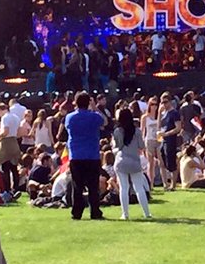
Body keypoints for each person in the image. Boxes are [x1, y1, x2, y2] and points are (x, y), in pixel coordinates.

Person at [64, 92, 106, 220]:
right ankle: (95, 211)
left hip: (76, 155)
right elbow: (104, 121)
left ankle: (77, 212)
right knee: (93, 186)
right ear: (89, 102)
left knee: (77, 185)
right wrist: (94, 107)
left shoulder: (70, 117)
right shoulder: (94, 116)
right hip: (92, 155)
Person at [111, 107, 151, 219]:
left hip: (121, 161)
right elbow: (142, 146)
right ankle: (147, 213)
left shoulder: (117, 131)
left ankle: (125, 214)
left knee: (124, 188)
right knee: (139, 188)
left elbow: (117, 146)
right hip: (134, 162)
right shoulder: (137, 131)